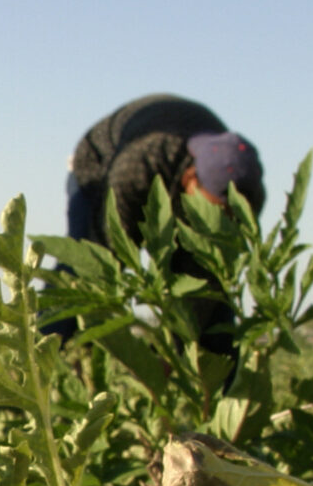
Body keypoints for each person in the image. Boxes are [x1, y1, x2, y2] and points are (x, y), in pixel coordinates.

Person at [63, 95, 266, 357]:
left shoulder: (249, 198)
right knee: (80, 273)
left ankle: (209, 379)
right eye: (214, 210)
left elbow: (210, 283)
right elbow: (109, 245)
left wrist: (174, 354)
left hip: (168, 166)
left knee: (213, 313)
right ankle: (39, 363)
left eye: (229, 216)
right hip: (102, 162)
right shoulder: (139, 164)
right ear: (191, 180)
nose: (218, 223)